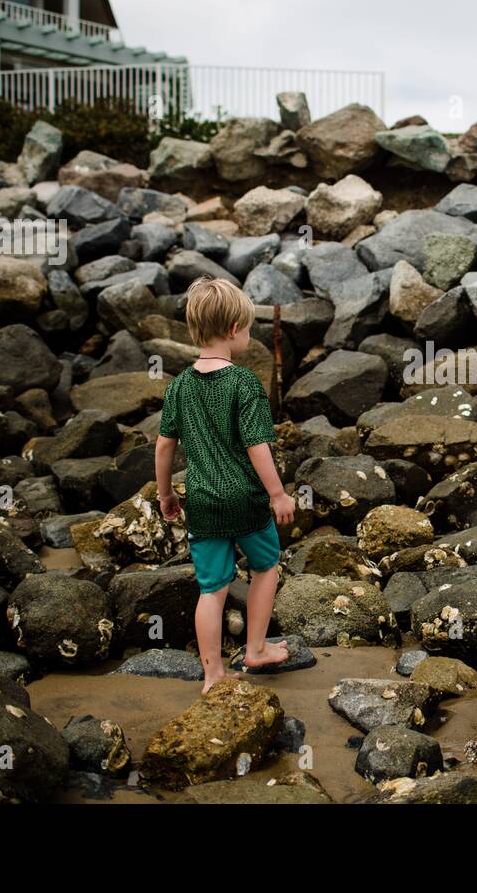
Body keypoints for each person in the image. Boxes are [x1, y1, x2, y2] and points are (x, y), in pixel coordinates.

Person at [154, 277, 295, 693]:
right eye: (248, 328)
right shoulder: (244, 383)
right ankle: (255, 649)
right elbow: (257, 445)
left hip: (202, 501)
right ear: (234, 330)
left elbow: (164, 446)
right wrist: (278, 493)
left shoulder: (179, 386)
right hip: (246, 499)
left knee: (212, 589)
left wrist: (165, 494)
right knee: (265, 567)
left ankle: (212, 673)